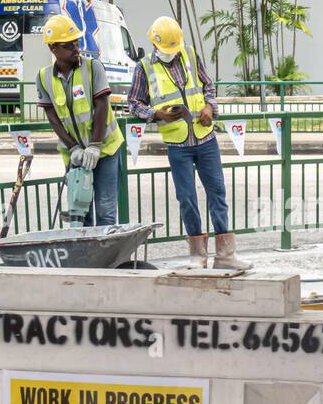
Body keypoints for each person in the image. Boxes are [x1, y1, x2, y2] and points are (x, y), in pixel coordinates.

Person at [126, 15, 250, 269]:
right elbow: (133, 103)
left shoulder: (190, 55)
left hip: (206, 139)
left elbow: (208, 86)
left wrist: (209, 107)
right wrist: (156, 114)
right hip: (177, 144)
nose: (171, 53)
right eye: (166, 49)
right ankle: (197, 256)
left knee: (218, 194)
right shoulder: (144, 67)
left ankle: (226, 256)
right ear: (154, 45)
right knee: (187, 198)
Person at [35, 14, 124, 227]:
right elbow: (52, 117)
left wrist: (94, 146)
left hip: (106, 150)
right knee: (80, 212)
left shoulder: (93, 67)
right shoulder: (43, 77)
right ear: (53, 48)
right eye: (69, 45)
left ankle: (106, 260)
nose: (76, 48)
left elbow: (102, 106)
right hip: (74, 155)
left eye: (77, 42)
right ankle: (87, 259)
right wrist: (73, 147)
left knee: (105, 211)